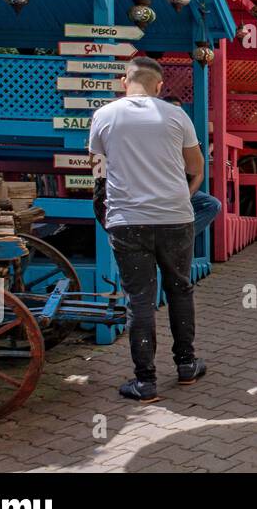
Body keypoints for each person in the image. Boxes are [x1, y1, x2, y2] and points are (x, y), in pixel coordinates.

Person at [89, 57, 207, 402]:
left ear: (124, 81)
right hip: (174, 218)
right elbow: (195, 166)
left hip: (128, 220)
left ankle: (145, 382)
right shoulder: (175, 115)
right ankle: (186, 365)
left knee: (139, 300)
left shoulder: (104, 116)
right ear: (159, 85)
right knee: (180, 290)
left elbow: (98, 168)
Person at [161, 95, 221, 239]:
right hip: (157, 191)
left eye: (178, 110)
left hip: (180, 190)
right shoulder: (155, 134)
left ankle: (179, 238)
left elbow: (199, 173)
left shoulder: (187, 135)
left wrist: (187, 195)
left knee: (212, 204)